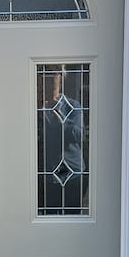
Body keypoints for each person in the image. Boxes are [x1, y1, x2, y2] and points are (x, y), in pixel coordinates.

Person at [37, 68, 87, 215]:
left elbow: (79, 136)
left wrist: (61, 119)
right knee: (48, 220)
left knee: (72, 220)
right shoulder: (35, 108)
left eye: (54, 77)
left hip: (73, 174)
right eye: (46, 78)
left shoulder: (73, 106)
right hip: (48, 175)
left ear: (61, 80)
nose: (50, 82)